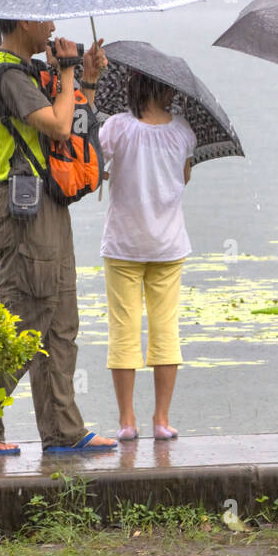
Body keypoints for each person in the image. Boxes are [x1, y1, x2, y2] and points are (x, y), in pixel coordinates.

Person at [0, 19, 117, 454]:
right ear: (24, 22)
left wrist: (84, 77)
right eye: (45, 19)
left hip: (47, 205)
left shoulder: (29, 69)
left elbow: (73, 121)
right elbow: (58, 126)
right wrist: (68, 73)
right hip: (24, 211)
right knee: (24, 319)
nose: (52, 27)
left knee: (60, 324)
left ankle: (63, 430)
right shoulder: (8, 75)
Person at [98, 70, 195, 441]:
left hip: (124, 243)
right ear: (167, 89)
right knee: (165, 329)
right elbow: (183, 178)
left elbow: (96, 162)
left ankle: (127, 422)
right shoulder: (184, 131)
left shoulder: (118, 127)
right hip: (168, 245)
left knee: (123, 330)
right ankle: (161, 420)